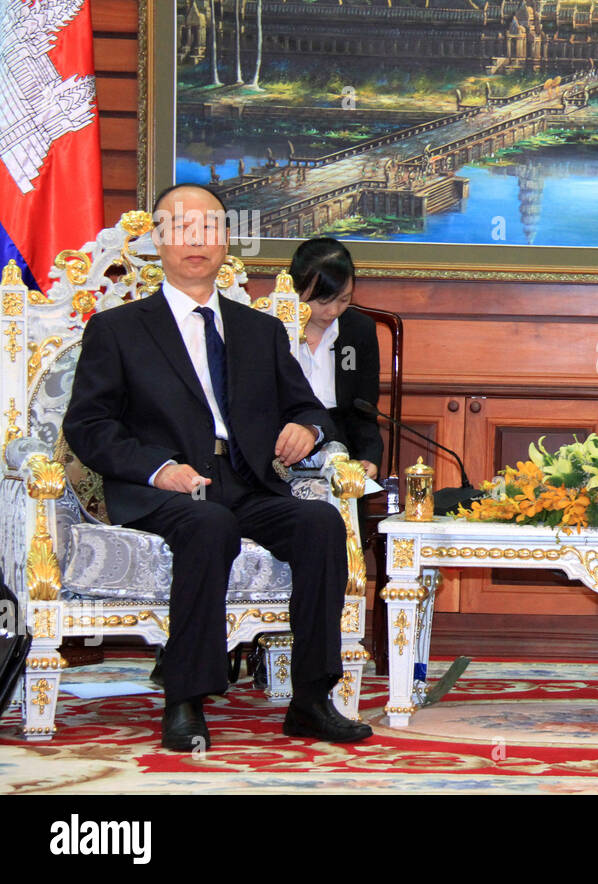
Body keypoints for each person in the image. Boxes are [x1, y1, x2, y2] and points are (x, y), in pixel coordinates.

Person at [63, 183, 373, 751]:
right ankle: (185, 698)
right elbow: (88, 427)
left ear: (227, 240)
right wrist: (159, 468)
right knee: (209, 525)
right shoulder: (119, 329)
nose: (195, 239)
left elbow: (306, 405)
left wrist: (307, 427)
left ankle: (310, 698)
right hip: (163, 487)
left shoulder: (259, 329)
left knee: (320, 524)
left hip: (246, 479)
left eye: (208, 227)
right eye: (179, 228)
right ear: (158, 241)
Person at [288, 237, 382, 481]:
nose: (332, 312)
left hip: (340, 445)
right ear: (296, 289)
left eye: (344, 300)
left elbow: (364, 408)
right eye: (322, 301)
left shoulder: (358, 330)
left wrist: (369, 457)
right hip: (286, 445)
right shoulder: (271, 327)